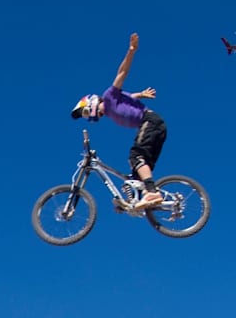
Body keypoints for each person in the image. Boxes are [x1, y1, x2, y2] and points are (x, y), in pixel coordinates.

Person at [71, 32, 167, 210]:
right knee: (134, 177)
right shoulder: (111, 109)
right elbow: (129, 98)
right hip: (155, 127)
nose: (88, 116)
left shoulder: (109, 97)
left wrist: (131, 50)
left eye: (85, 112)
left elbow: (122, 72)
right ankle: (140, 203)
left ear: (91, 102)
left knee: (135, 155)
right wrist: (141, 94)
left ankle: (152, 192)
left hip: (150, 121)